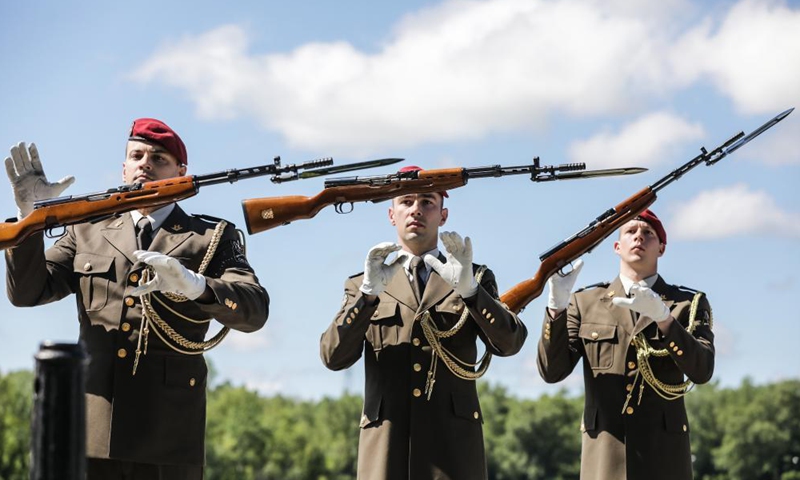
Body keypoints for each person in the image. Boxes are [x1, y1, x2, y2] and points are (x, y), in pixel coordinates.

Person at [4, 118, 269, 479]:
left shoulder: (211, 236)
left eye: (159, 158)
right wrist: (30, 219)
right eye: (137, 155)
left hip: (168, 435)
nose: (145, 163)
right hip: (90, 426)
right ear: (124, 167)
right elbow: (29, 291)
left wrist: (196, 286)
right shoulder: (87, 229)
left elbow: (254, 310)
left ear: (180, 171)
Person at [320, 166, 527, 480]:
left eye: (428, 201)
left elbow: (509, 343)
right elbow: (333, 356)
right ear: (391, 214)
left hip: (453, 448)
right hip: (387, 446)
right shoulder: (363, 282)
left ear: (443, 216)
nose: (416, 209)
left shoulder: (475, 276)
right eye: (406, 202)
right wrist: (367, 298)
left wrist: (471, 292)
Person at [537, 209, 714, 480]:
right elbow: (552, 371)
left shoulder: (686, 305)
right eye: (630, 232)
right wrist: (556, 309)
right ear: (617, 247)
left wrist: (665, 320)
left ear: (662, 248)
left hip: (664, 459)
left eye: (648, 234)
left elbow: (702, 371)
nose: (639, 238)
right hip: (605, 459)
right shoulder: (585, 302)